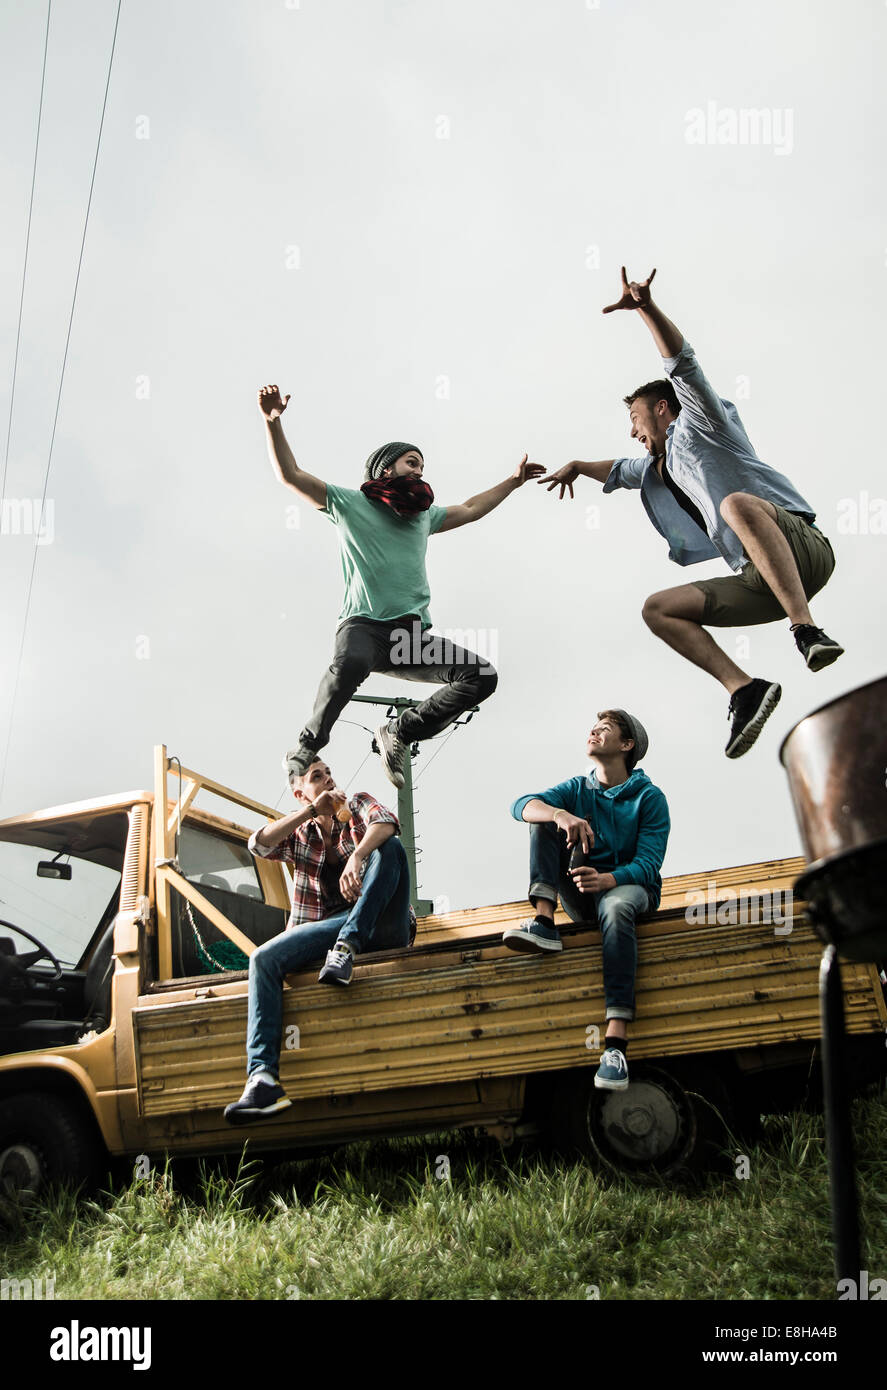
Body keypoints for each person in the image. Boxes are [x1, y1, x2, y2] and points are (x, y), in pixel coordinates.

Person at [542, 268, 843, 758]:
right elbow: (620, 469)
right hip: (758, 579)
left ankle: (806, 629)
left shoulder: (702, 421)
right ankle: (744, 690)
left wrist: (646, 310)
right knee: (657, 608)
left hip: (802, 548)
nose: (633, 432)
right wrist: (577, 464)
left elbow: (683, 364)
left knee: (736, 504)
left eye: (636, 420)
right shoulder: (661, 466)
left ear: (664, 409)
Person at [258, 384, 544, 788]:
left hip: (409, 636)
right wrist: (273, 421)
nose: (420, 471)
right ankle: (307, 746)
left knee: (481, 676)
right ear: (386, 469)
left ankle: (401, 732)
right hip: (363, 627)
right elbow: (291, 475)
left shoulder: (422, 518)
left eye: (423, 466)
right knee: (351, 665)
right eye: (412, 462)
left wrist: (511, 482)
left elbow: (470, 508)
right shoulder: (349, 503)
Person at [224, 758, 412, 1124]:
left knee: (389, 848)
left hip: (382, 924)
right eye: (317, 777)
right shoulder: (301, 833)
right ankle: (262, 1080)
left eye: (328, 772)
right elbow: (258, 845)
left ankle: (347, 946)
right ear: (300, 792)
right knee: (262, 959)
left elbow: (387, 822)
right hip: (328, 935)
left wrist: (357, 857)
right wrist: (310, 811)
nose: (328, 779)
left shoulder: (354, 804)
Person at [503, 710, 670, 1091]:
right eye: (594, 727)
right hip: (582, 895)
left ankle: (615, 1046)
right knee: (543, 817)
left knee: (616, 905)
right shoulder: (579, 788)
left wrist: (608, 879)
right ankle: (544, 923)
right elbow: (520, 806)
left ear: (626, 746)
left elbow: (648, 864)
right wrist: (561, 815)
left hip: (629, 891)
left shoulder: (650, 798)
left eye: (605, 729)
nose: (593, 731)